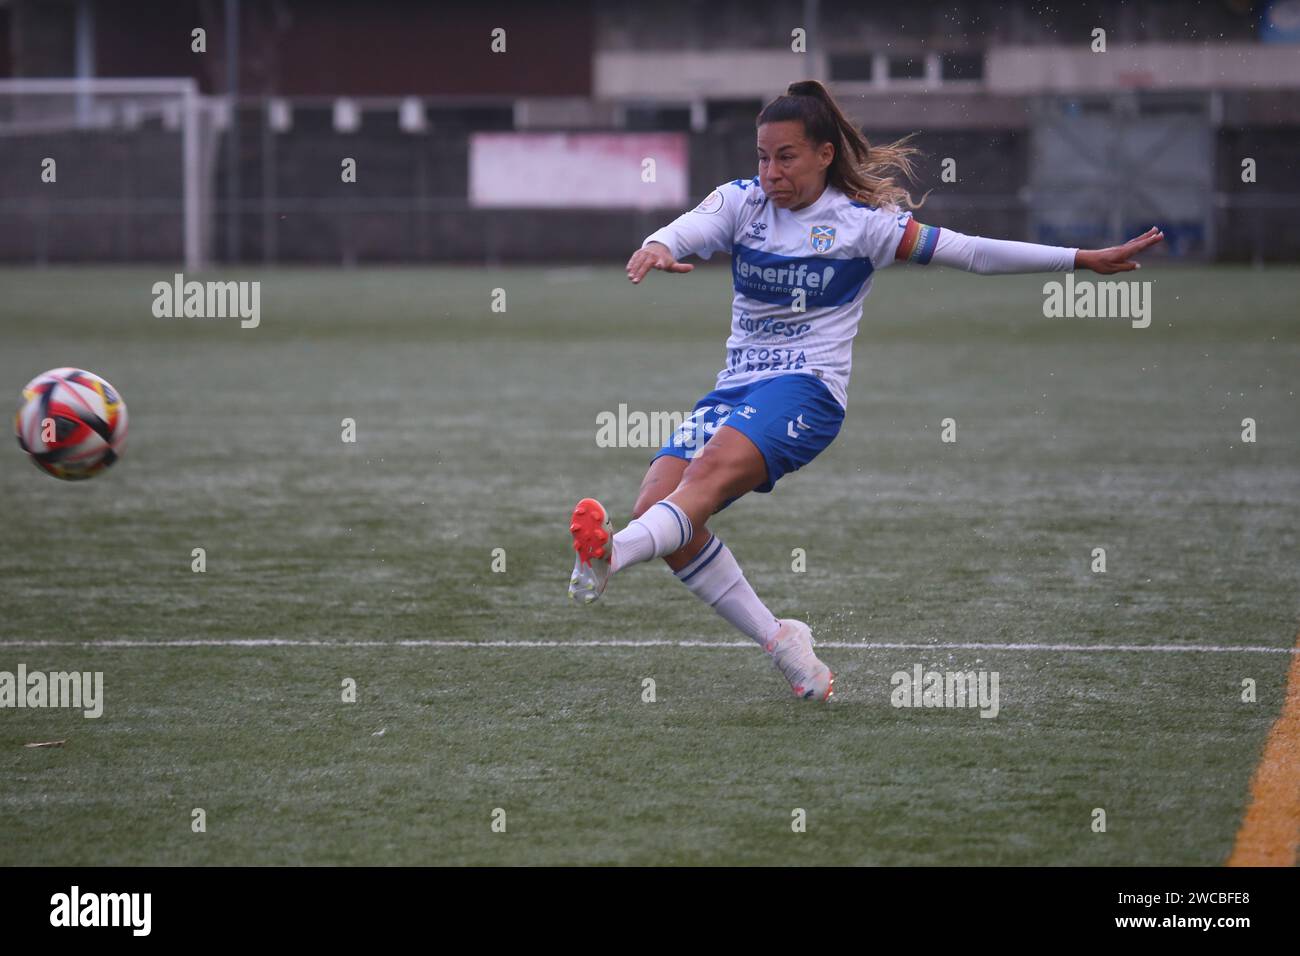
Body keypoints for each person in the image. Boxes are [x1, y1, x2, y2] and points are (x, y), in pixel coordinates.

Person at [568, 79, 1163, 701]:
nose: (770, 171)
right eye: (763, 157)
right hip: (735, 389)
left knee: (705, 477)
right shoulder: (742, 204)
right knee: (660, 504)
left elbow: (973, 253)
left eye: (787, 157)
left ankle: (610, 554)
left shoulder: (863, 225)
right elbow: (689, 227)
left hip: (807, 392)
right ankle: (782, 644)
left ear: (825, 154)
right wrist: (657, 246)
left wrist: (1078, 258)